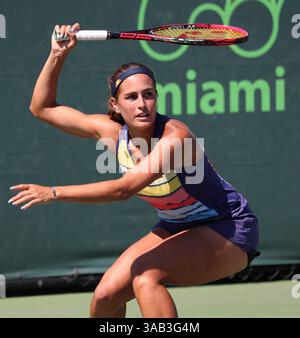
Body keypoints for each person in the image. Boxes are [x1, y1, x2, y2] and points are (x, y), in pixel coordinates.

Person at [8, 23, 260, 318]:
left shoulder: (175, 137)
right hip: (176, 227)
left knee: (145, 275)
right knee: (105, 298)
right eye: (131, 97)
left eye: (148, 94)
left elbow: (123, 189)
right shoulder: (112, 133)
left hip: (228, 227)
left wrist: (53, 192)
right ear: (115, 104)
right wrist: (57, 54)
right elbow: (42, 108)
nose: (142, 104)